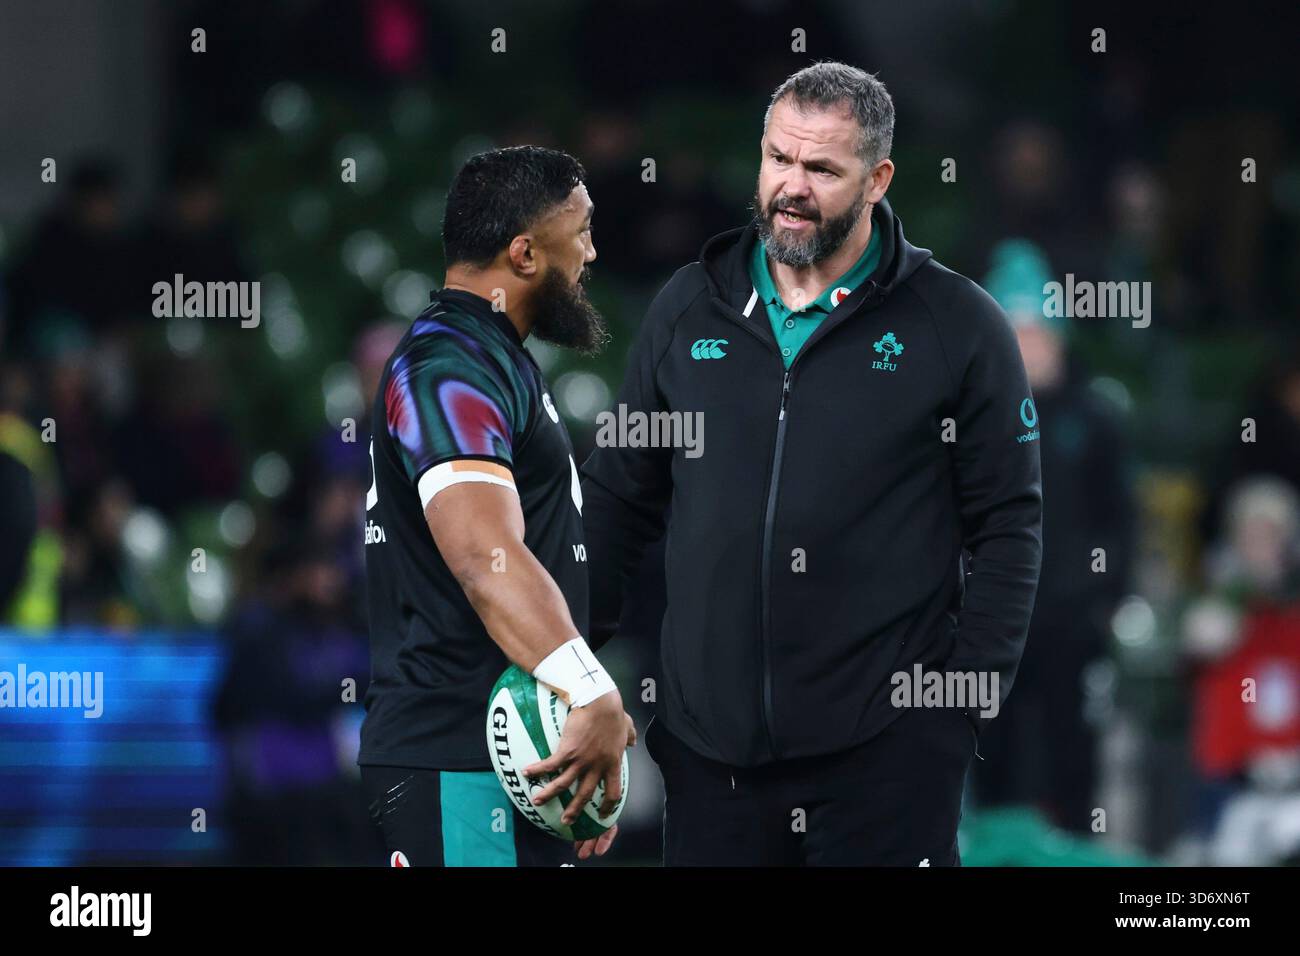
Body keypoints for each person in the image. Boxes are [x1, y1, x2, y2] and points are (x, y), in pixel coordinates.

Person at [582, 62, 1043, 865]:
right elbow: (619, 501)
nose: (791, 187)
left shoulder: (959, 325)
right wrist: (572, 664)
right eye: (777, 159)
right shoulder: (687, 308)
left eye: (822, 169)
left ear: (878, 179)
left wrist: (958, 709)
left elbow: (1009, 523)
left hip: (887, 764)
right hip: (707, 761)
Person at [358, 146, 634, 866]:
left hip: (506, 766)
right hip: (457, 760)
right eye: (582, 232)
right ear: (523, 253)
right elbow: (487, 557)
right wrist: (589, 689)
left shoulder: (491, 357)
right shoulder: (449, 362)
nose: (592, 253)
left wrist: (571, 734)